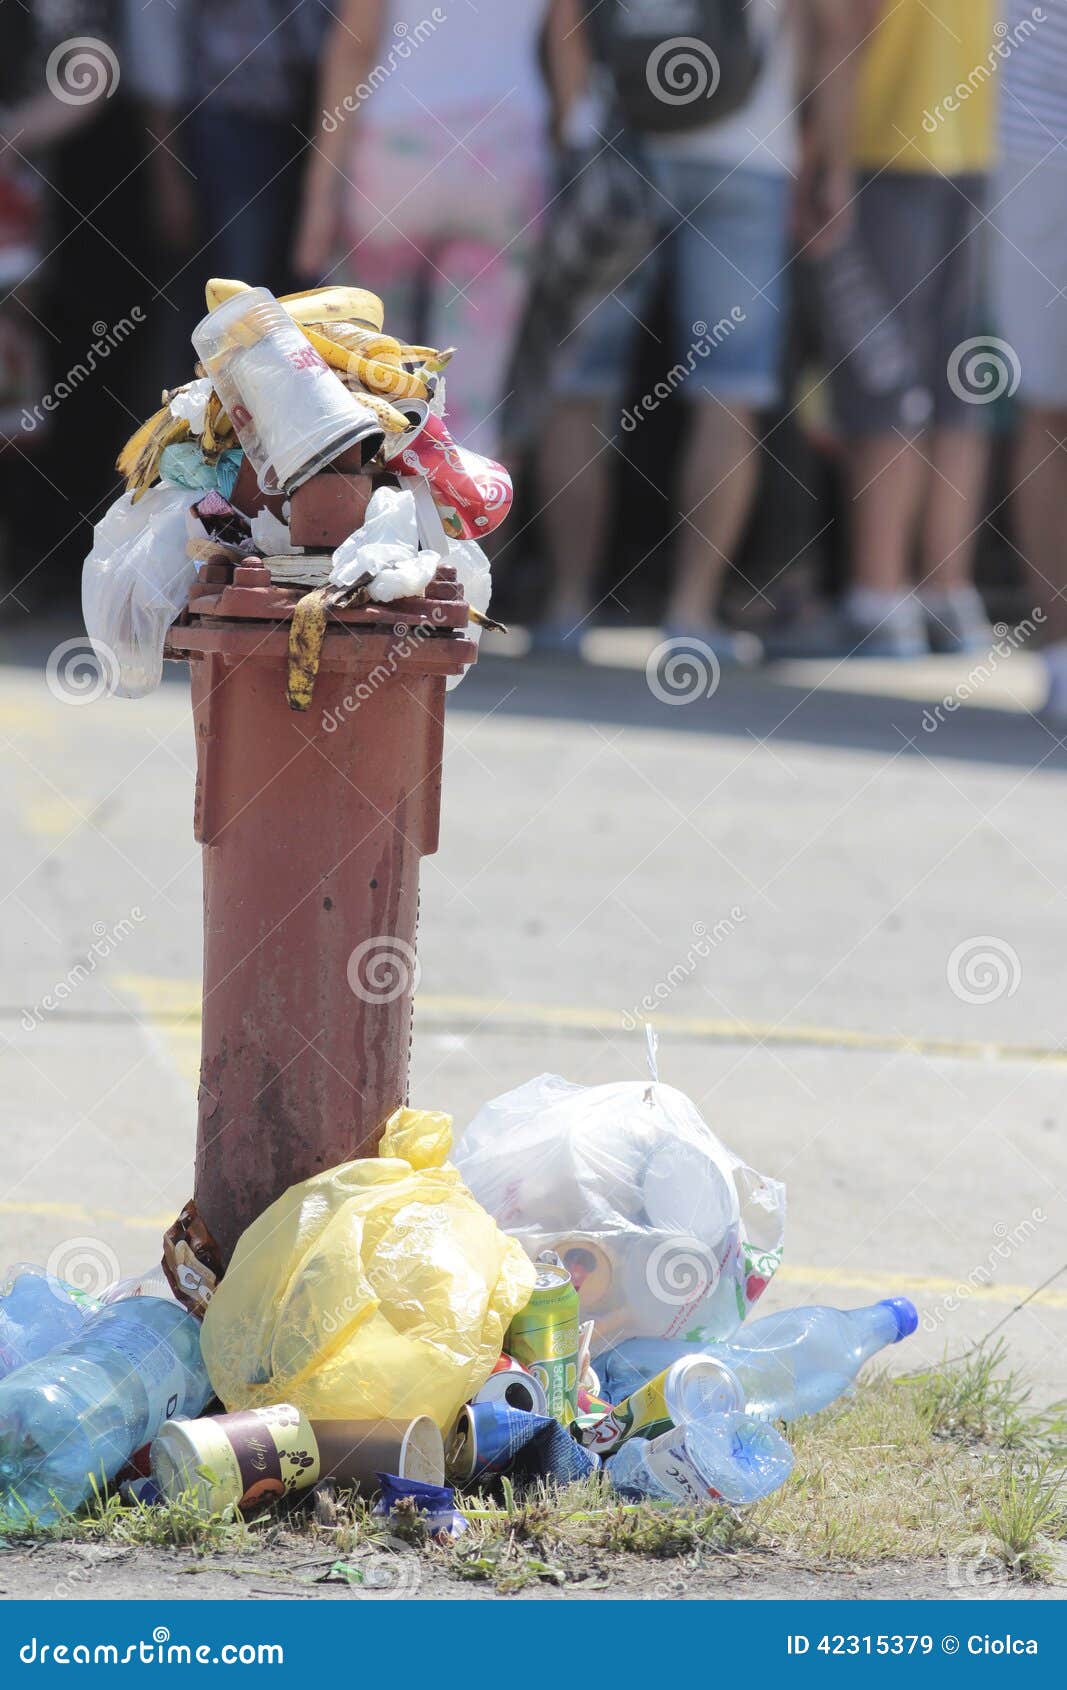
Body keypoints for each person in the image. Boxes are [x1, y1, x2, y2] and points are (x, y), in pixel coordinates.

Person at [533, 0, 861, 661]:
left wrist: (571, 125)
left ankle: (565, 608)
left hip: (616, 143)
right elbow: (832, 28)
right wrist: (831, 158)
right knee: (728, 393)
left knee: (581, 385)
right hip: (749, 154)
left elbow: (564, 19)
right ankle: (691, 612)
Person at [782, 0, 997, 658]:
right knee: (958, 382)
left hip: (886, 143)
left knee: (881, 375)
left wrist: (823, 159)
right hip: (980, 146)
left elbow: (846, 24)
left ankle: (877, 601)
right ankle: (949, 597)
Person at [295, 1, 580, 458]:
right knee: (472, 402)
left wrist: (319, 198)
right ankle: (461, 499)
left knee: (373, 384)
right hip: (506, 161)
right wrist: (574, 163)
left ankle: (373, 495)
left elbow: (355, 46)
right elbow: (569, 49)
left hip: (394, 159)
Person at [991, 0, 1067, 720]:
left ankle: (1060, 658)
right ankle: (1060, 654)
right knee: (1044, 408)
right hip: (1030, 144)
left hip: (1025, 146)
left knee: (1044, 412)